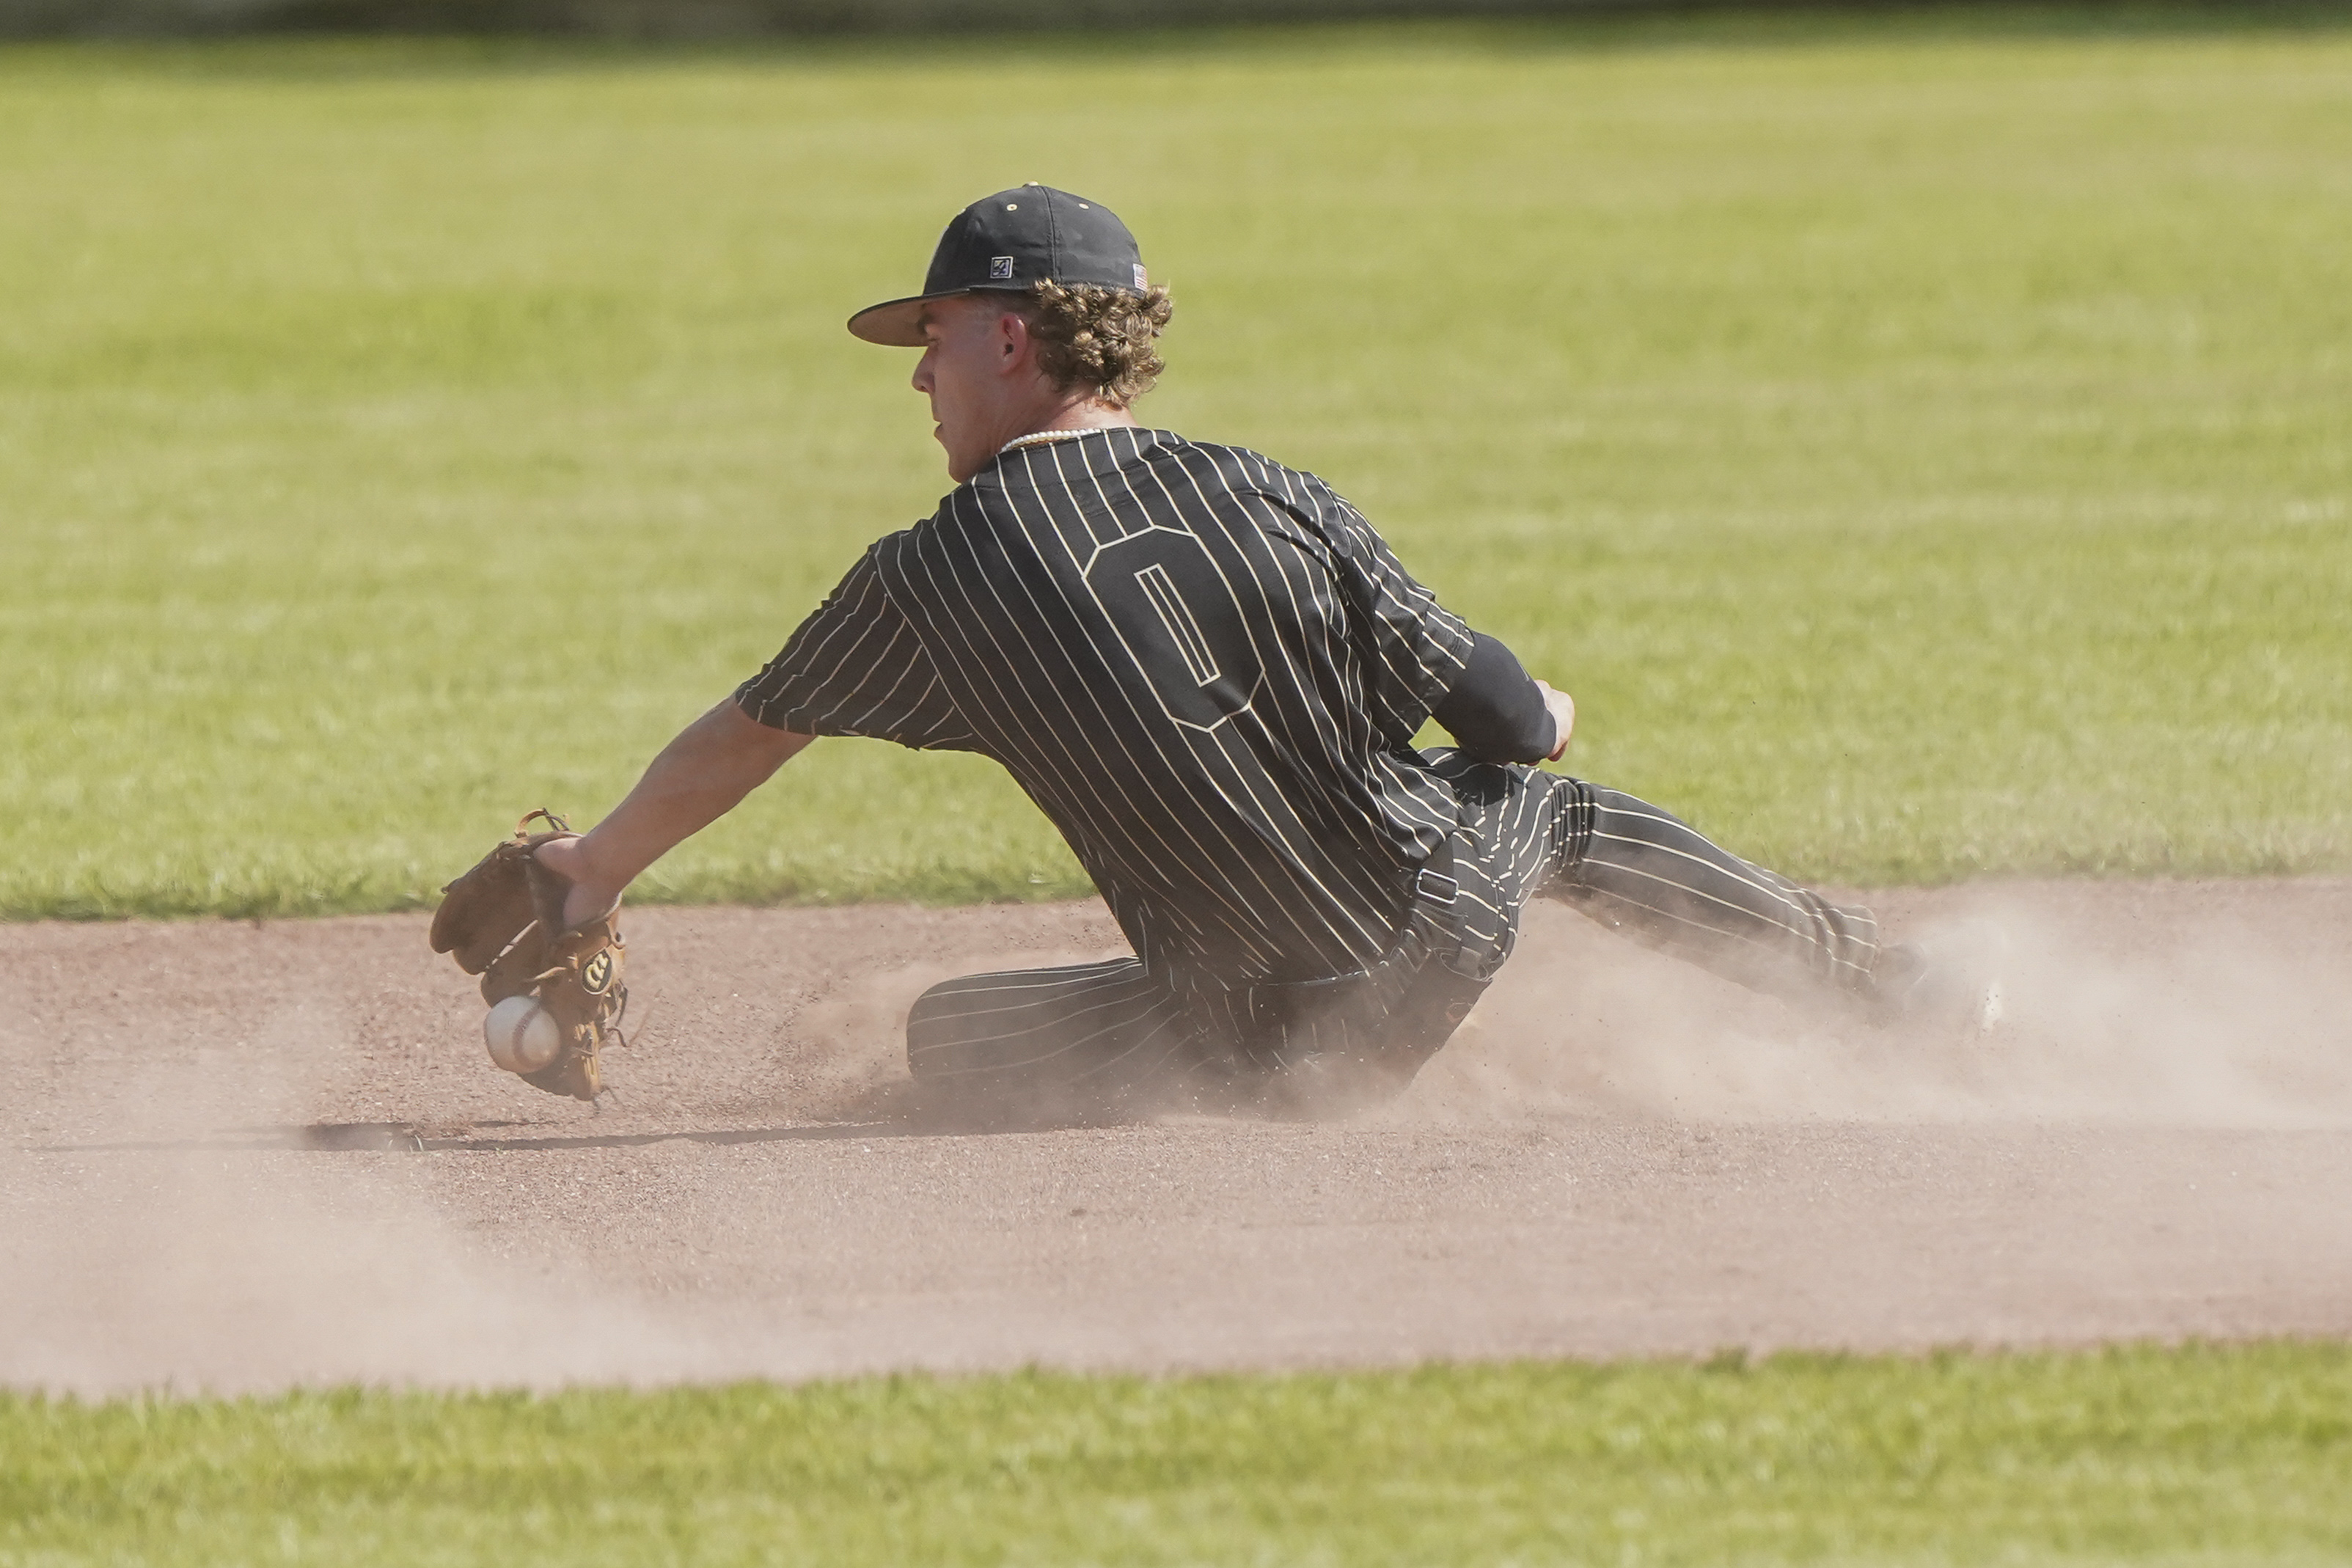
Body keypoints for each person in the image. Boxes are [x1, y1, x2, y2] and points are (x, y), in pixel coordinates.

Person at [533, 184, 1984, 1114]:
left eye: (936, 330)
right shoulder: (1265, 491)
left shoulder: (924, 576)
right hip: (1429, 937)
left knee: (931, 1053)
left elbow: (747, 734)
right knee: (1550, 807)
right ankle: (1877, 992)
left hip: (1246, 1045)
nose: (914, 367)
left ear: (1015, 342)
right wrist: (1542, 707)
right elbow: (1502, 725)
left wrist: (588, 872)